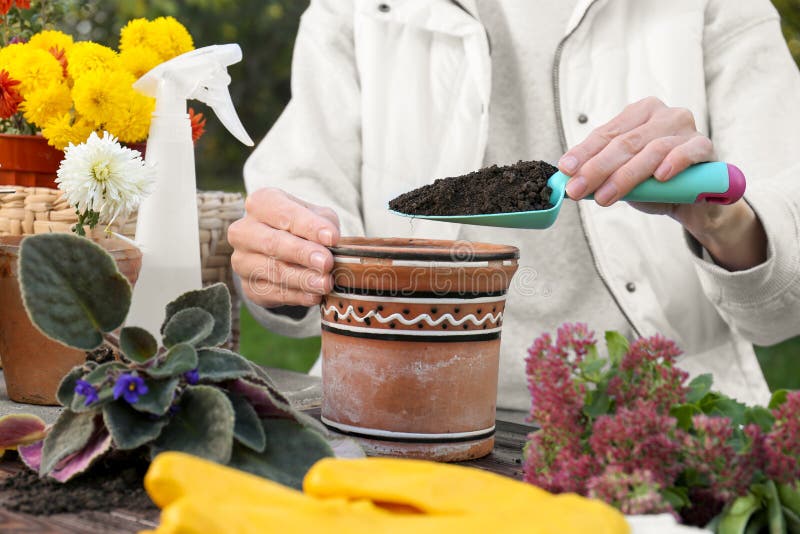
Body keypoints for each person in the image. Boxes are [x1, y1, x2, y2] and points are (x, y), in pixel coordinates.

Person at [228, 0, 800, 411]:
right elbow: (303, 199)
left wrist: (722, 219)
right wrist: (289, 252)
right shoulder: (354, 10)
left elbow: (785, 301)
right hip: (395, 413)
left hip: (656, 421)